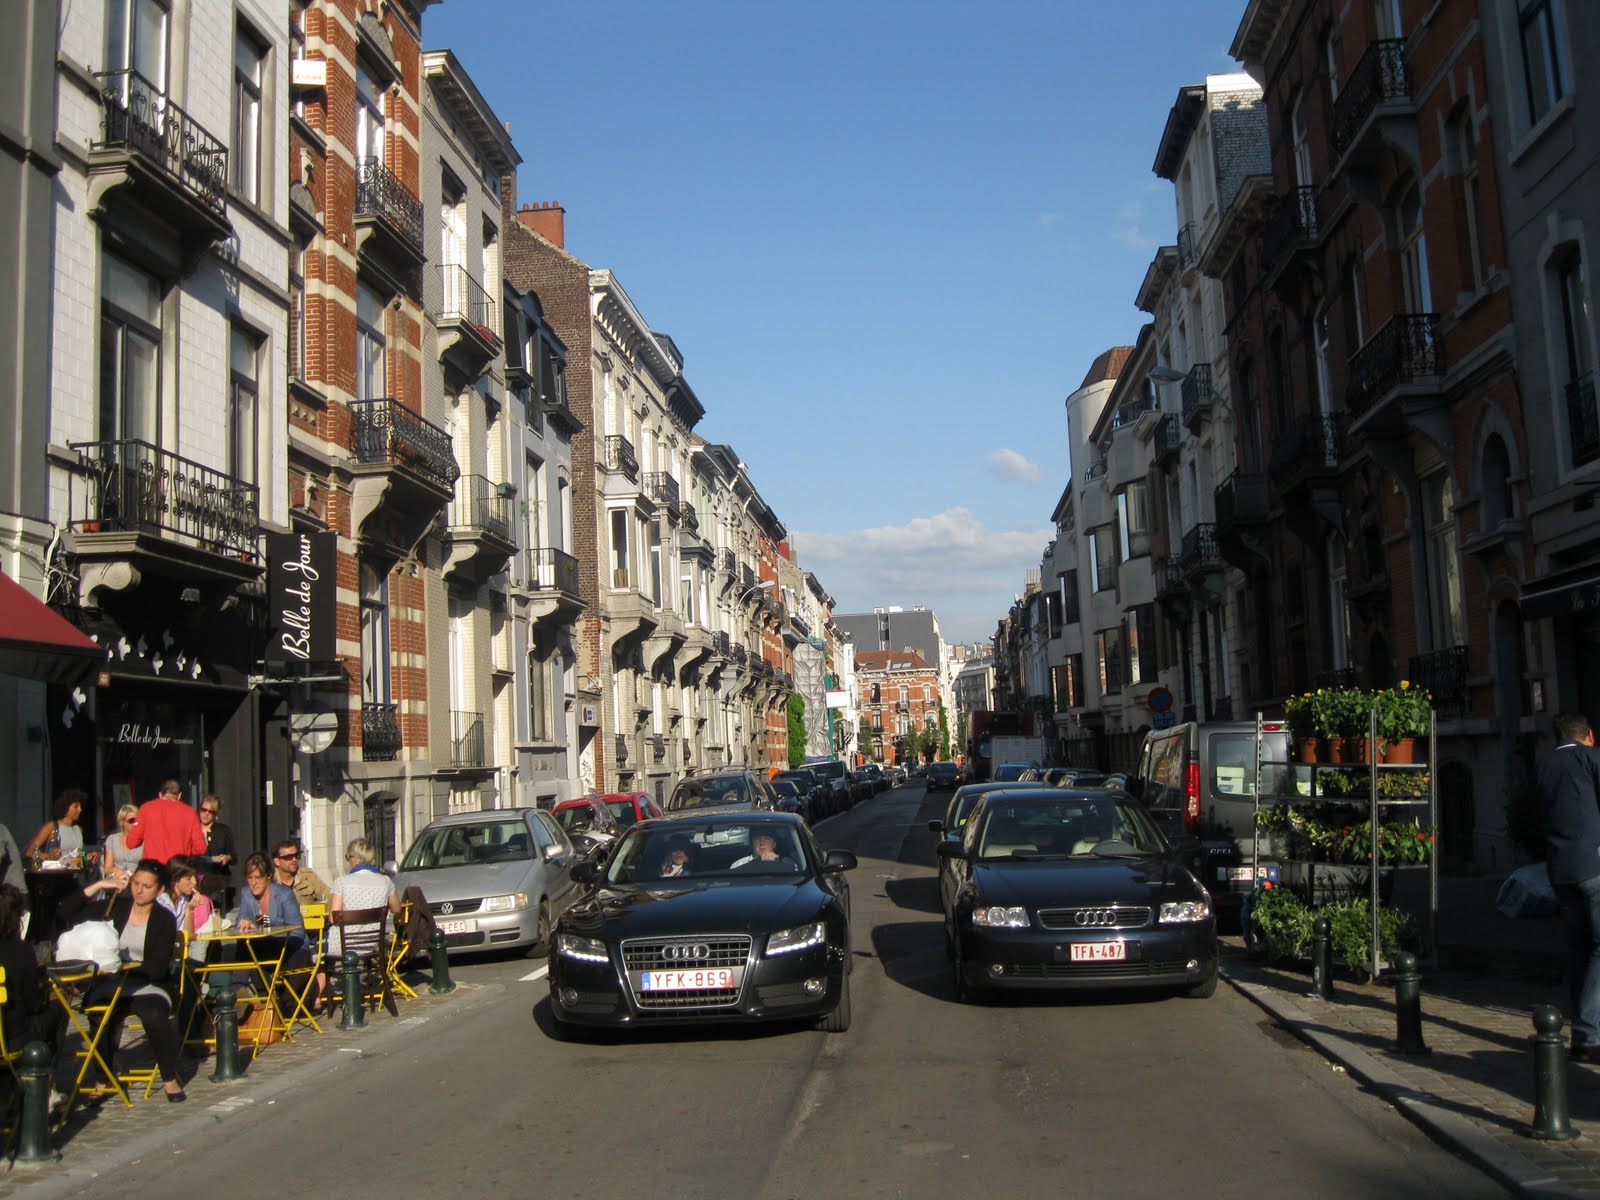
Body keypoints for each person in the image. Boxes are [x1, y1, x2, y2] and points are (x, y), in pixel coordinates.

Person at [56, 860, 187, 1101]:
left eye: (146, 886)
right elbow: (65, 911)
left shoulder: (163, 919)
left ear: (159, 890)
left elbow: (157, 967)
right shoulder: (117, 907)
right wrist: (99, 885)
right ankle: (102, 1077)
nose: (139, 890)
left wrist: (122, 967)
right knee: (99, 1016)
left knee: (154, 1014)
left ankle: (169, 1078)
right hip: (112, 983)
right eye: (136, 883)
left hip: (147, 984)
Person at [1539, 712, 1600, 1061]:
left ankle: (1581, 1026)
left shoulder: (1544, 766)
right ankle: (1589, 1034)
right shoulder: (1590, 757)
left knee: (1580, 949)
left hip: (1560, 870)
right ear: (1588, 735)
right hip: (1592, 866)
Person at [0, 883, 55, 1055]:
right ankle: (44, 1073)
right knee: (60, 1006)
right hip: (12, 1038)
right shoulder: (21, 950)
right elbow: (34, 1005)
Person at [232, 853, 305, 950]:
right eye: (250, 877)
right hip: (262, 945)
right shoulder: (246, 893)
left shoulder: (284, 895)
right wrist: (246, 924)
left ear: (269, 875)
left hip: (289, 944)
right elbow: (239, 924)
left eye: (258, 878)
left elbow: (297, 931)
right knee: (243, 946)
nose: (253, 883)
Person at [124, 779, 207, 865]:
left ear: (160, 795)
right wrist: (185, 849)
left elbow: (131, 842)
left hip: (153, 869)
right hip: (178, 868)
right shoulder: (190, 812)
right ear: (179, 796)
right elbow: (200, 848)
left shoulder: (146, 808)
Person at [25, 789, 92, 866]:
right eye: (76, 807)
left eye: (80, 807)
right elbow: (30, 852)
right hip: (56, 874)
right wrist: (48, 856)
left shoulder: (78, 829)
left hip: (75, 874)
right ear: (66, 808)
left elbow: (78, 855)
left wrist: (89, 856)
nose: (80, 810)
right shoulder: (51, 827)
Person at [197, 795, 237, 905]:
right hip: (196, 879)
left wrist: (227, 857)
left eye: (211, 812)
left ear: (216, 814)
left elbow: (233, 856)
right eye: (204, 810)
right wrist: (210, 859)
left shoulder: (223, 831)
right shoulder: (193, 828)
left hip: (217, 880)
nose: (206, 814)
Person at [272, 839, 331, 907]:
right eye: (289, 857)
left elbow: (329, 896)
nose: (294, 859)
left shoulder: (307, 876)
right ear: (277, 861)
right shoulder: (269, 880)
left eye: (296, 855)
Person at [102, 803, 143, 876]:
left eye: (137, 820)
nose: (135, 823)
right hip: (116, 878)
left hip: (137, 878)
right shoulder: (112, 839)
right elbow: (107, 869)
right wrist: (116, 870)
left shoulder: (144, 840)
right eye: (132, 820)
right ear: (122, 822)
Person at [731, 829, 795, 871]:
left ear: (774, 844)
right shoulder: (738, 865)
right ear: (752, 844)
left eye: (767, 839)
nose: (762, 843)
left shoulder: (788, 863)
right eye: (757, 839)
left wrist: (777, 861)